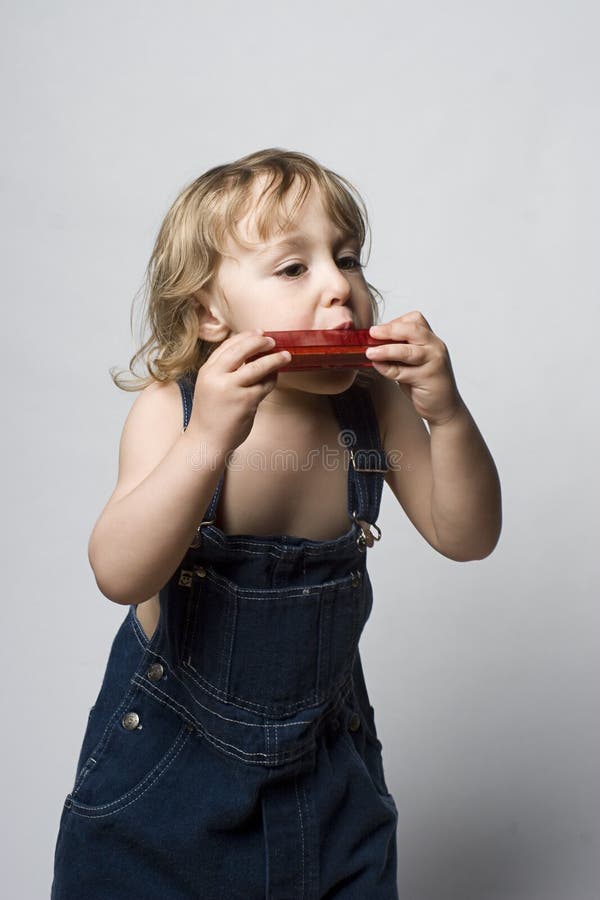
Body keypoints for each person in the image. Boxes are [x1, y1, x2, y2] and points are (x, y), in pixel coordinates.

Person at [50, 148, 502, 900]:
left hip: (328, 777)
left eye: (347, 259)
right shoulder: (176, 411)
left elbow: (467, 534)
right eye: (293, 269)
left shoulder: (371, 404)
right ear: (207, 312)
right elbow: (119, 573)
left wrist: (446, 413)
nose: (339, 287)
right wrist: (207, 444)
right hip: (169, 778)